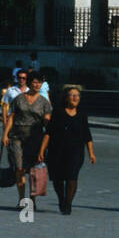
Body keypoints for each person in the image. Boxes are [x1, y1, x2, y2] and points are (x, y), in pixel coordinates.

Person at [38, 86, 95, 214]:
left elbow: (87, 134)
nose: (75, 98)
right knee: (58, 178)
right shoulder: (58, 112)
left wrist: (91, 153)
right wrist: (41, 150)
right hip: (56, 151)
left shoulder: (81, 114)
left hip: (76, 152)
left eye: (77, 96)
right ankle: (61, 199)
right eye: (72, 95)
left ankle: (68, 204)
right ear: (66, 97)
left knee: (72, 176)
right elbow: (48, 133)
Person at [2, 72, 51, 205]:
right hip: (17, 137)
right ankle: (22, 199)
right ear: (29, 83)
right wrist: (5, 134)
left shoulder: (44, 102)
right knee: (19, 168)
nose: (37, 85)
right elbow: (11, 117)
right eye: (35, 82)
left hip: (35, 139)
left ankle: (32, 199)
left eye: (39, 82)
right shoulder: (19, 99)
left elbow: (48, 120)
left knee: (33, 171)